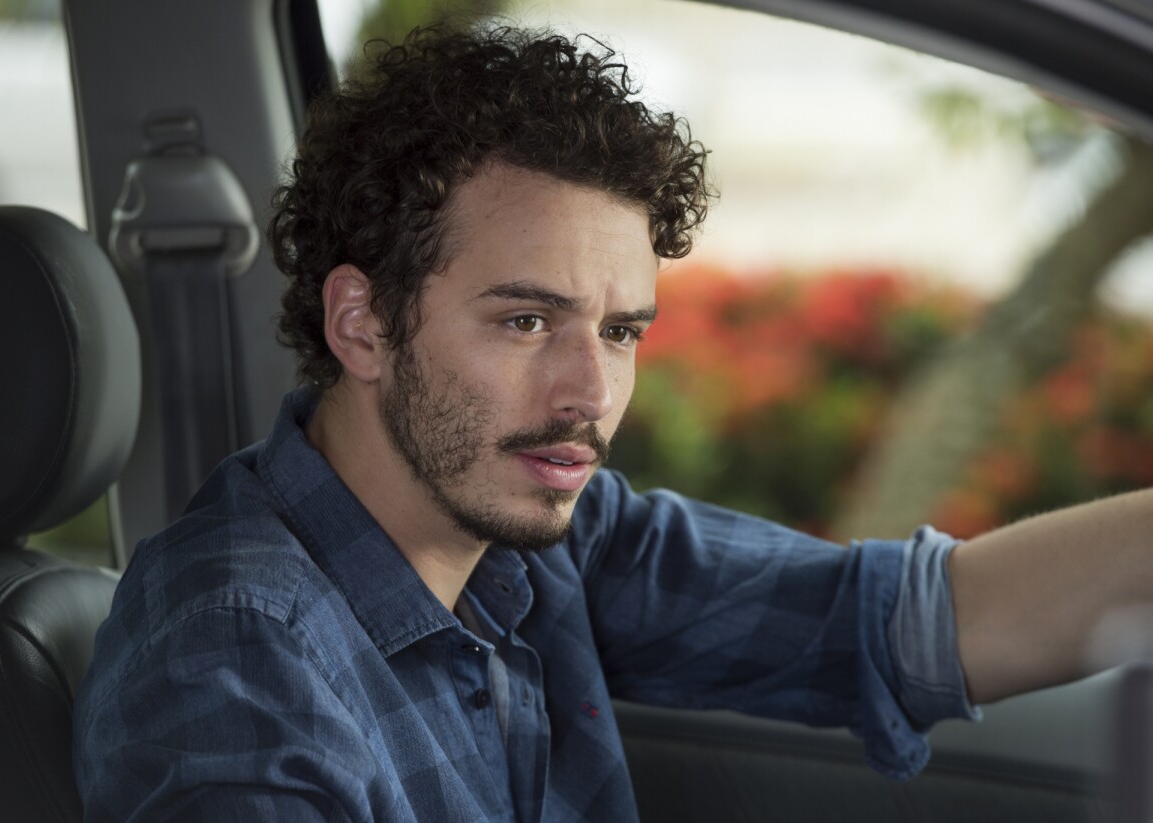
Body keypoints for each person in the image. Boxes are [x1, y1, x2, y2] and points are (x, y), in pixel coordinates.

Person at [73, 24, 1153, 822]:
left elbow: (904, 625)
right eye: (528, 319)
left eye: (624, 330)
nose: (589, 395)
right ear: (361, 324)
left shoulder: (537, 533)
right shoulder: (233, 662)